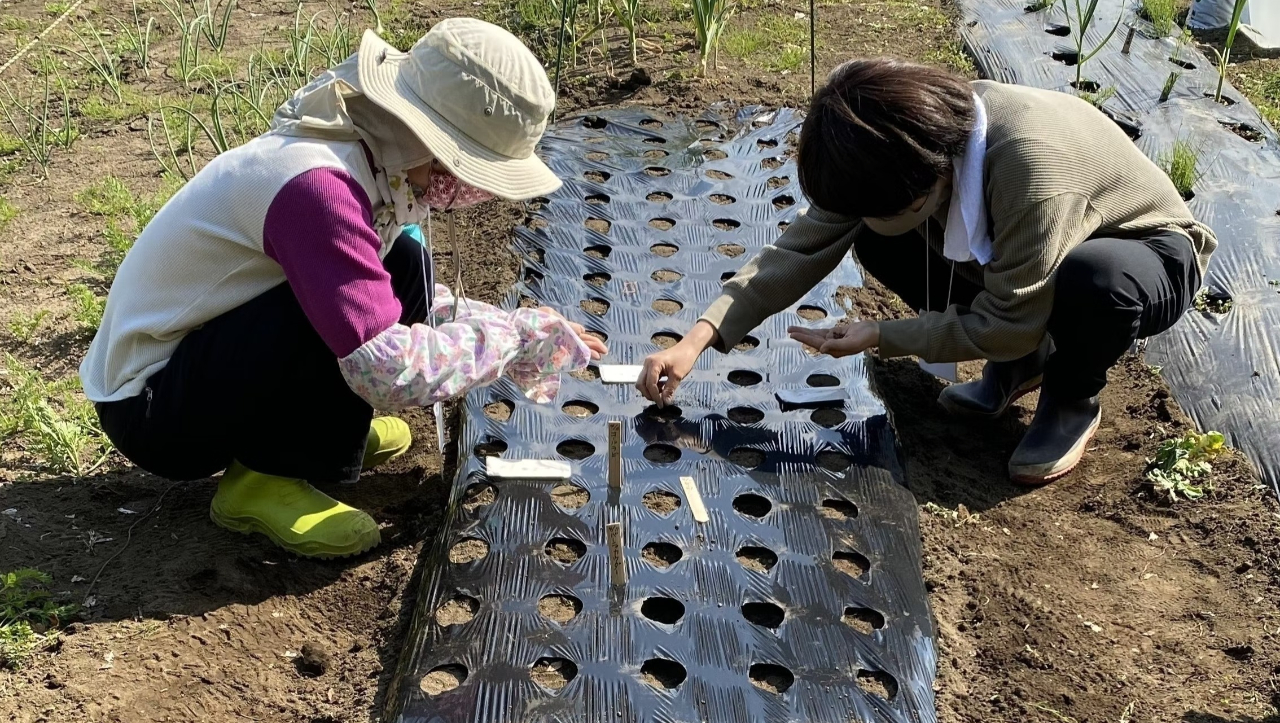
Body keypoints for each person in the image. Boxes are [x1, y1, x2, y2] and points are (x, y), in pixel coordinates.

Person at [80, 19, 606, 558]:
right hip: (154, 407)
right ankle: (263, 477)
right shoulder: (318, 189)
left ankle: (321, 439)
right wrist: (511, 340)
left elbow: (381, 289)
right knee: (334, 311)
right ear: (425, 134)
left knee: (404, 258)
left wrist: (509, 324)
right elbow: (384, 368)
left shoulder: (365, 155)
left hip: (205, 362)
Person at [638, 60, 1216, 484]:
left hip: (1145, 253)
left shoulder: (1030, 171)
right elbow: (801, 248)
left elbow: (1009, 319)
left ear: (927, 182)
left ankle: (1071, 398)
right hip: (1032, 250)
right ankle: (1022, 366)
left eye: (875, 204)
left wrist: (885, 336)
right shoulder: (904, 138)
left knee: (1094, 281)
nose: (855, 216)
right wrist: (697, 339)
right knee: (881, 242)